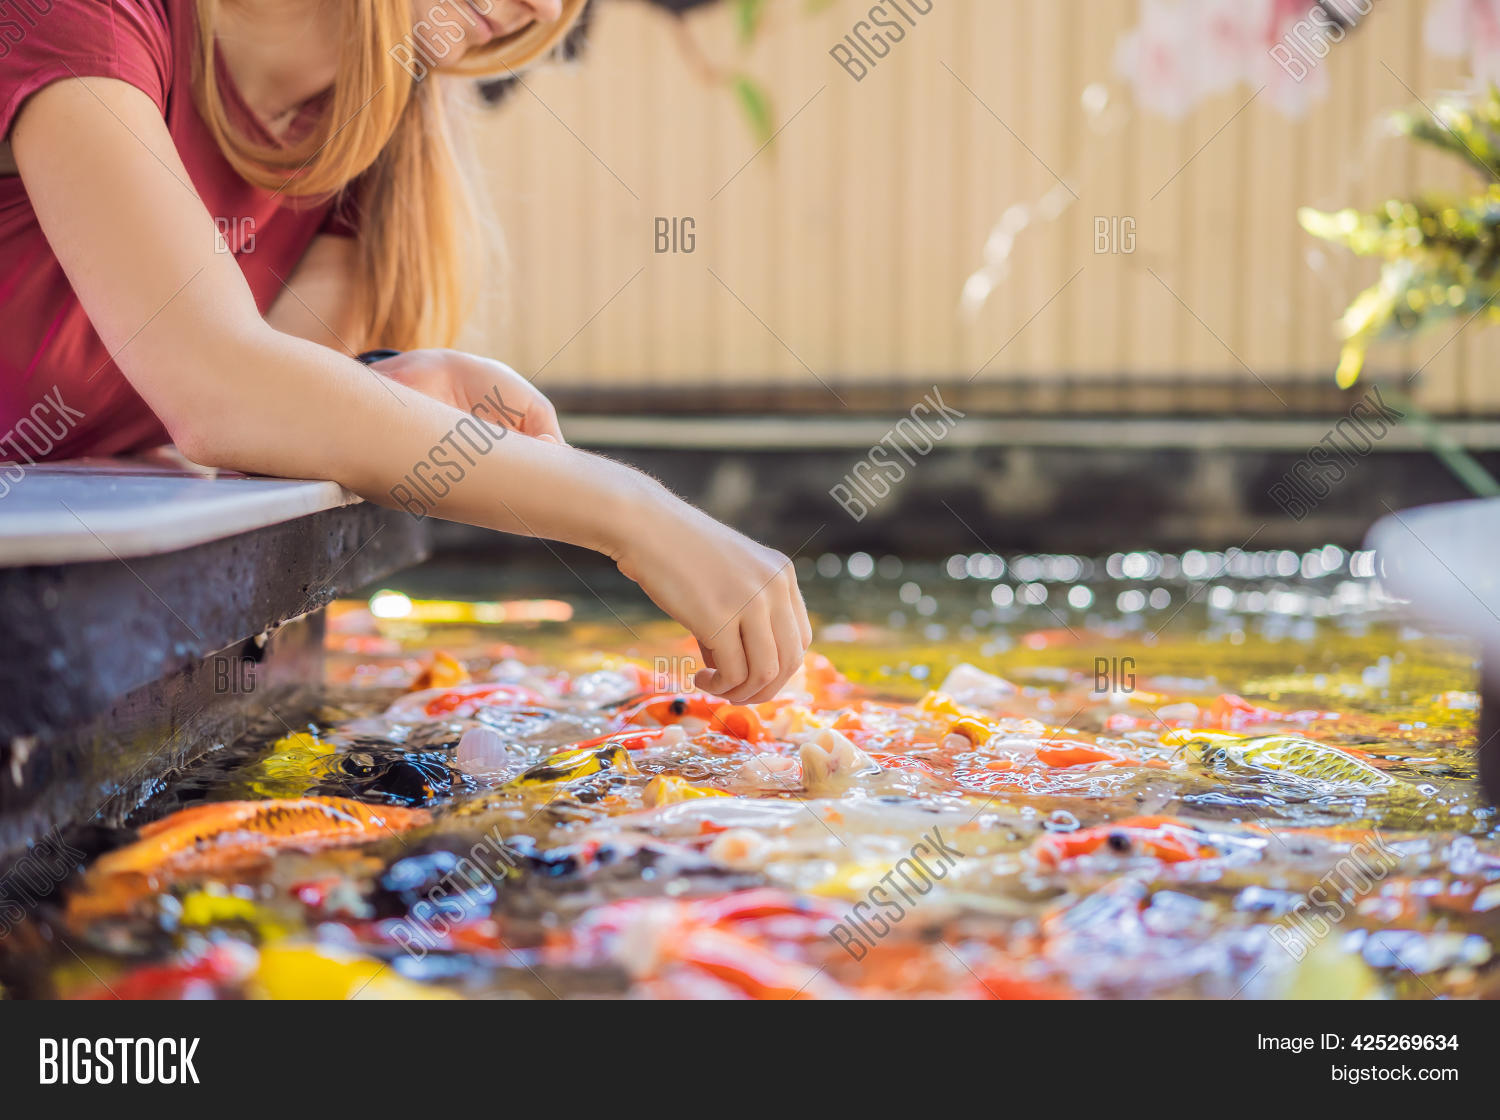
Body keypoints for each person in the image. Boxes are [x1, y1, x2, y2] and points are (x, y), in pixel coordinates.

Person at [0, 0, 810, 702]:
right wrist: (640, 517)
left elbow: (262, 425)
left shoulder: (363, 142)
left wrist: (372, 382)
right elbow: (218, 388)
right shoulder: (90, 22)